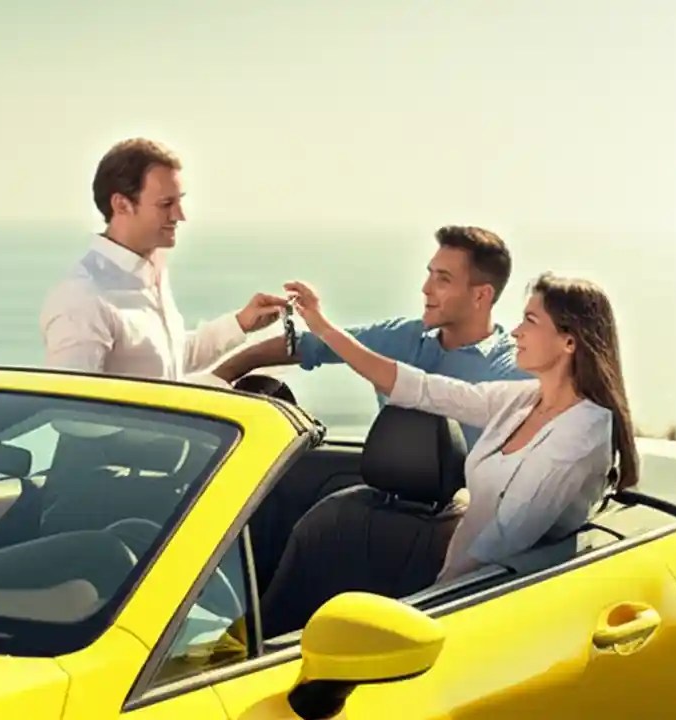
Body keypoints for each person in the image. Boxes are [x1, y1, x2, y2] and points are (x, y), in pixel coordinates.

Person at [283, 271, 639, 580]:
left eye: (530, 320)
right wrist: (322, 327)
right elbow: (419, 388)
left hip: (491, 596)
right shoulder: (522, 399)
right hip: (460, 580)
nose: (515, 331)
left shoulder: (584, 432)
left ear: (569, 341)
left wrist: (434, 597)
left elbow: (504, 539)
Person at [213, 225, 530, 450]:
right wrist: (217, 379)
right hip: (387, 506)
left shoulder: (511, 369)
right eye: (429, 273)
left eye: (443, 279)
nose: (426, 288)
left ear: (481, 296)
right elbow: (304, 346)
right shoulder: (403, 337)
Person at [39, 137, 288, 381]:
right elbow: (73, 414)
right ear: (121, 205)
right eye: (166, 204)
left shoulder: (152, 271)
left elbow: (170, 359)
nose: (180, 215)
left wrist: (241, 323)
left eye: (179, 201)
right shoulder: (82, 297)